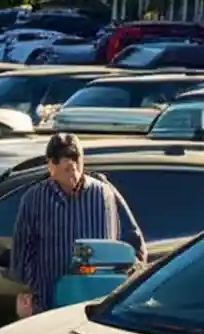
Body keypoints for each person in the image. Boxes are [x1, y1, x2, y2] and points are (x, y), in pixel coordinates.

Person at [11, 133, 147, 318]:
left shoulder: (104, 193)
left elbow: (132, 241)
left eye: (75, 157)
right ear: (51, 165)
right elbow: (22, 249)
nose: (71, 165)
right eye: (62, 159)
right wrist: (25, 295)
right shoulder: (35, 198)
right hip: (49, 306)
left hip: (96, 305)